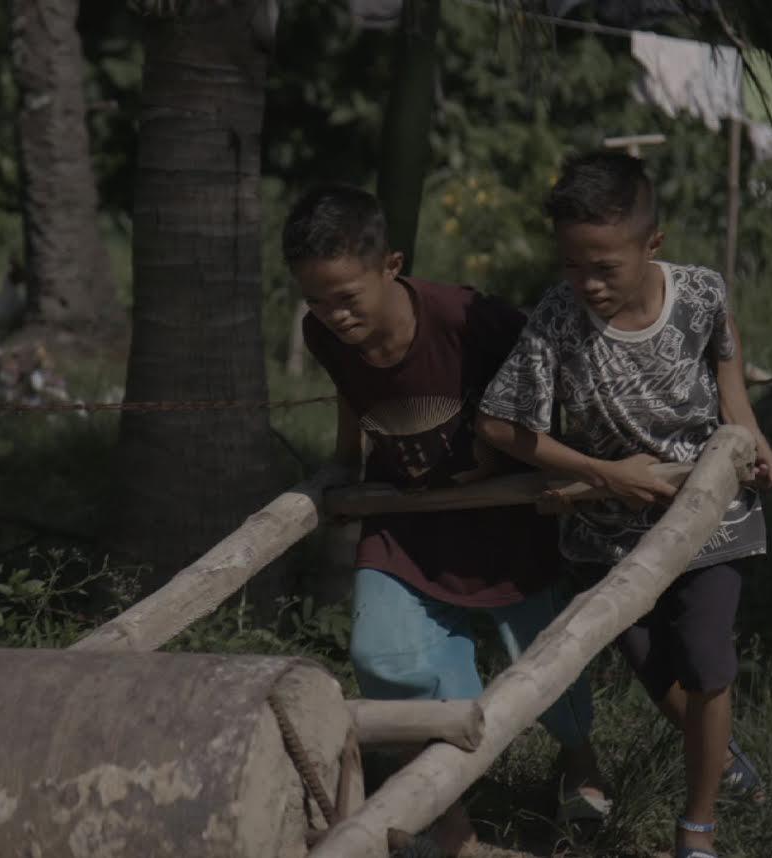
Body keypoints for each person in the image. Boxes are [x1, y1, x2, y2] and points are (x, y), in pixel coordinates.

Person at [283, 184, 609, 855]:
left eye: (347, 297)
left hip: (505, 518)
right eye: (316, 300)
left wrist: (524, 461)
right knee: (386, 656)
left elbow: (546, 373)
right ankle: (450, 815)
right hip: (406, 520)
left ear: (391, 265)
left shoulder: (468, 318)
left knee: (545, 661)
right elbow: (354, 392)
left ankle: (580, 762)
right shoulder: (323, 333)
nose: (333, 315)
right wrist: (345, 463)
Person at [476, 151, 772, 858]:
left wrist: (746, 429)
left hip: (708, 513)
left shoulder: (699, 291)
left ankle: (696, 826)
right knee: (657, 672)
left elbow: (724, 354)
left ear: (653, 245)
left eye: (604, 266)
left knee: (706, 662)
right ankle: (724, 756)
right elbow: (498, 425)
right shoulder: (557, 318)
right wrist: (605, 474)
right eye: (572, 265)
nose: (587, 283)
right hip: (608, 534)